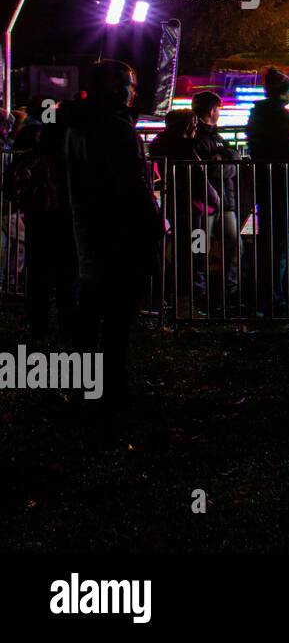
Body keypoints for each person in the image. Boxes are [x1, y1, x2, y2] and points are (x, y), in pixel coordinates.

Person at [62, 60, 163, 415]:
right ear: (113, 88)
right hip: (120, 231)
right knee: (118, 314)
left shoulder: (78, 126)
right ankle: (110, 387)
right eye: (128, 84)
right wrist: (153, 224)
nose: (133, 91)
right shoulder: (117, 130)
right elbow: (133, 185)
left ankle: (85, 383)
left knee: (91, 307)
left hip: (90, 226)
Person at [5, 98, 77, 338]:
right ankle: (67, 323)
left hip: (39, 217)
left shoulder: (33, 152)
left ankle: (39, 323)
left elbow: (11, 185)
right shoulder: (69, 154)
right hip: (64, 218)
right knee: (67, 274)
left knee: (39, 273)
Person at [149, 109, 218, 315]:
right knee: (196, 254)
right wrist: (215, 199)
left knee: (180, 254)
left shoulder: (161, 146)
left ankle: (178, 302)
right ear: (188, 126)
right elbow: (199, 182)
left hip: (174, 207)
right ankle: (188, 304)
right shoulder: (187, 150)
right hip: (194, 211)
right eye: (194, 123)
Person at [246, 68, 289, 312]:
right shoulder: (284, 118)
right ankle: (275, 298)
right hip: (284, 184)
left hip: (265, 184)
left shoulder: (256, 116)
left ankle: (263, 295)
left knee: (269, 241)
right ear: (284, 92)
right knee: (281, 244)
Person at [191, 90, 241, 306]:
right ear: (212, 110)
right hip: (209, 203)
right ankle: (217, 291)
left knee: (204, 246)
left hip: (214, 203)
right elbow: (224, 168)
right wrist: (226, 162)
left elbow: (228, 162)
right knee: (205, 246)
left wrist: (224, 160)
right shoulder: (206, 138)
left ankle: (202, 291)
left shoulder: (209, 137)